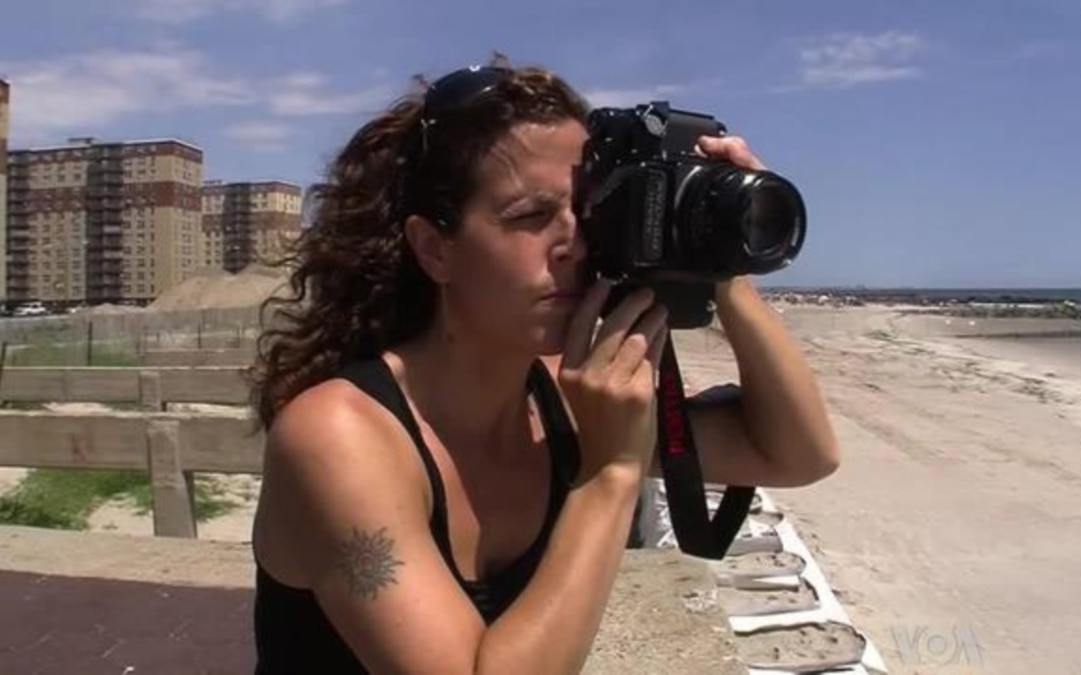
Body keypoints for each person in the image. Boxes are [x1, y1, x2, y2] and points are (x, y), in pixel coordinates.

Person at [248, 54, 840, 675]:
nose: (574, 242)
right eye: (530, 216)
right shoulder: (339, 438)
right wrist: (611, 472)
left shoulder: (564, 397)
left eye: (585, 212)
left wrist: (718, 257)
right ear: (434, 248)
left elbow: (797, 454)